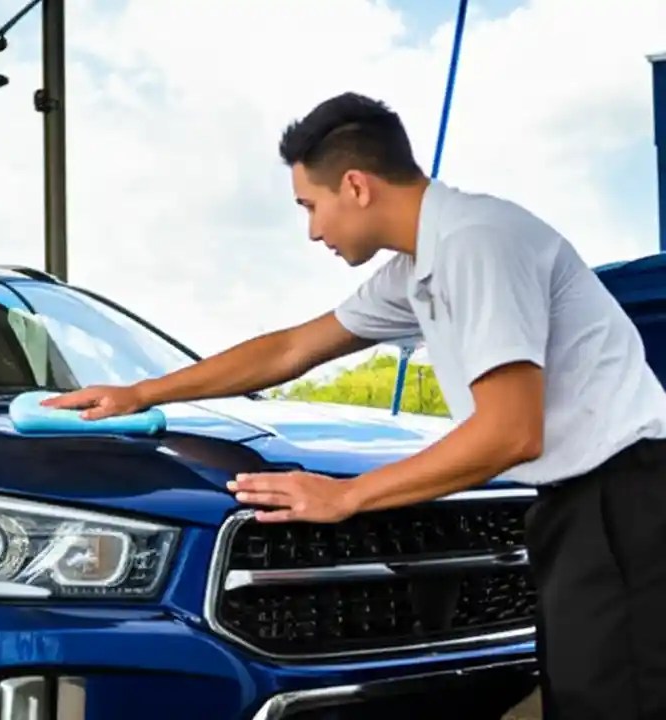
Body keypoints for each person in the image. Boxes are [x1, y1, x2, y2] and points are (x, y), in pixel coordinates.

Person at [43, 92, 666, 719]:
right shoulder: (420, 265)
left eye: (311, 206)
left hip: (625, 498)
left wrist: (345, 495)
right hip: (574, 504)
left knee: (618, 702)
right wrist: (140, 392)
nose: (312, 229)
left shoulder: (478, 244)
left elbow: (510, 433)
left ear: (356, 186)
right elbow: (290, 350)